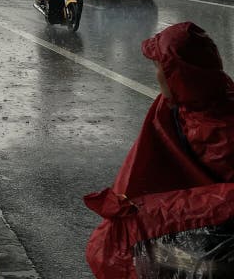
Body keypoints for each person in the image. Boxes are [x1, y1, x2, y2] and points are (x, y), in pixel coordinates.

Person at [85, 22, 234, 278]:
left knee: (123, 237)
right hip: (212, 217)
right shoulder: (192, 105)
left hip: (222, 224)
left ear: (179, 75)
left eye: (159, 68)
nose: (156, 75)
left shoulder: (214, 130)